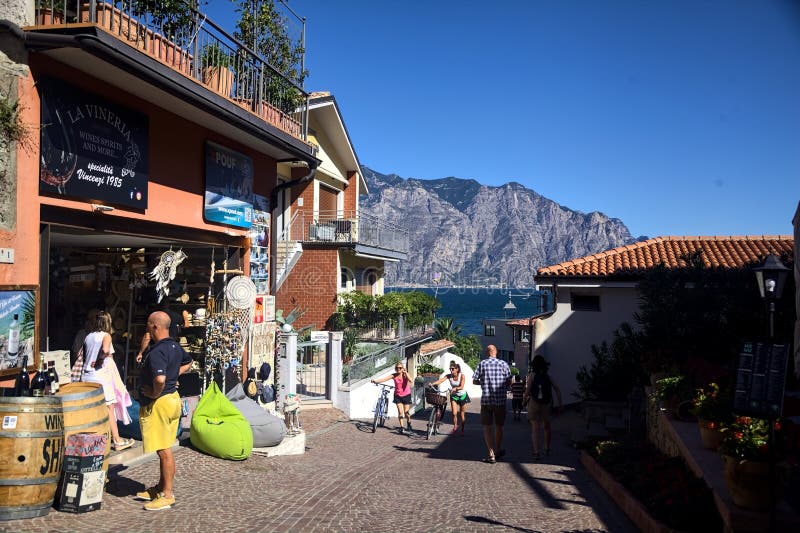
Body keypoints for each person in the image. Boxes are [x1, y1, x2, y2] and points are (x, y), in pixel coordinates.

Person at [134, 311, 192, 510]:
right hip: (172, 400)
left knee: (164, 451)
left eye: (148, 325)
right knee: (165, 448)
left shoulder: (158, 351)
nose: (147, 328)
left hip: (160, 402)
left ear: (155, 327)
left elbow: (159, 379)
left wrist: (153, 392)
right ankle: (161, 488)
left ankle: (167, 494)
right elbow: (189, 362)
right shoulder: (174, 346)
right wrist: (174, 376)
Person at [80, 310, 134, 452]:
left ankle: (93, 440)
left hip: (87, 376)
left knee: (92, 408)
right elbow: (105, 350)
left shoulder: (88, 336)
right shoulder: (106, 336)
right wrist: (100, 359)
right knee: (109, 407)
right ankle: (117, 440)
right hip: (101, 376)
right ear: (108, 322)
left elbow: (84, 355)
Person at [472, 345, 511, 463]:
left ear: (487, 352)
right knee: (499, 426)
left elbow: (474, 380)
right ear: (496, 352)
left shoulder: (482, 364)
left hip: (486, 400)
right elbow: (509, 381)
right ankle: (498, 449)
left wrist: (483, 382)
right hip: (500, 401)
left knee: (487, 427)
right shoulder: (504, 364)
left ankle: (491, 453)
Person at [524, 354, 563, 459]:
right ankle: (547, 448)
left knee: (535, 428)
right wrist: (560, 404)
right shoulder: (548, 376)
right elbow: (557, 389)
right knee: (547, 426)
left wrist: (524, 401)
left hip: (534, 403)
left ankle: (536, 452)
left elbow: (527, 391)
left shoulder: (532, 375)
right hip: (547, 403)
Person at [371, 362, 414, 435]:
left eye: (400, 368)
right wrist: (375, 381)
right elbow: (384, 379)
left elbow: (411, 380)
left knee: (406, 412)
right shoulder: (394, 375)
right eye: (397, 368)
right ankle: (402, 427)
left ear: (403, 368)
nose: (398, 369)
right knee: (400, 412)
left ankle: (409, 422)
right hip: (397, 395)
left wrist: (406, 373)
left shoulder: (405, 374)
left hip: (406, 395)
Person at [431, 362, 470, 435]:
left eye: (452, 369)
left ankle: (462, 429)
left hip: (462, 396)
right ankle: (455, 427)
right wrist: (432, 384)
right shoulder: (449, 376)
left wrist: (455, 388)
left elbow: (462, 386)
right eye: (450, 369)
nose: (451, 370)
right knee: (454, 413)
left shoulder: (462, 376)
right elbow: (441, 380)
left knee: (462, 414)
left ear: (457, 369)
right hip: (454, 396)